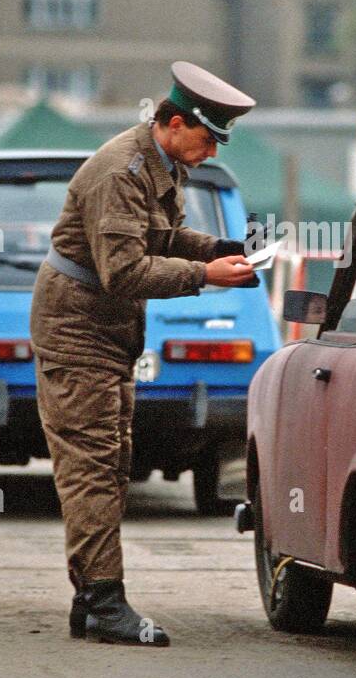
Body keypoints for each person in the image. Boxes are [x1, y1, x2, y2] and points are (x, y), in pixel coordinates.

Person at [30, 61, 258, 648]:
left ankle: (90, 600)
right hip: (79, 327)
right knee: (92, 466)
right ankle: (104, 603)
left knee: (111, 461)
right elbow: (125, 268)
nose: (210, 152)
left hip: (105, 330)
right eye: (207, 139)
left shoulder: (164, 163)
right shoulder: (121, 172)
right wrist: (205, 274)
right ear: (174, 122)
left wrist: (219, 249)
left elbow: (154, 237)